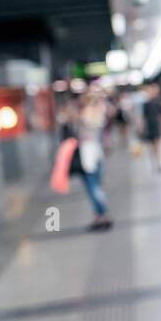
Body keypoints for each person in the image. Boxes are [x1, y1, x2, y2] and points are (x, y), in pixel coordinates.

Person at [61, 93, 113, 230]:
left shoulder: (90, 114)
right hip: (94, 153)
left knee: (93, 186)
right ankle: (99, 214)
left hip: (88, 155)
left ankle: (102, 214)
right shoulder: (97, 113)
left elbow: (74, 117)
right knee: (95, 185)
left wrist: (71, 110)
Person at [141, 83, 161, 173]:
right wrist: (142, 128)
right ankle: (154, 163)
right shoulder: (146, 104)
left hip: (157, 126)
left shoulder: (159, 102)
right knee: (151, 147)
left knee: (158, 145)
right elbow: (143, 117)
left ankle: (159, 164)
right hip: (149, 126)